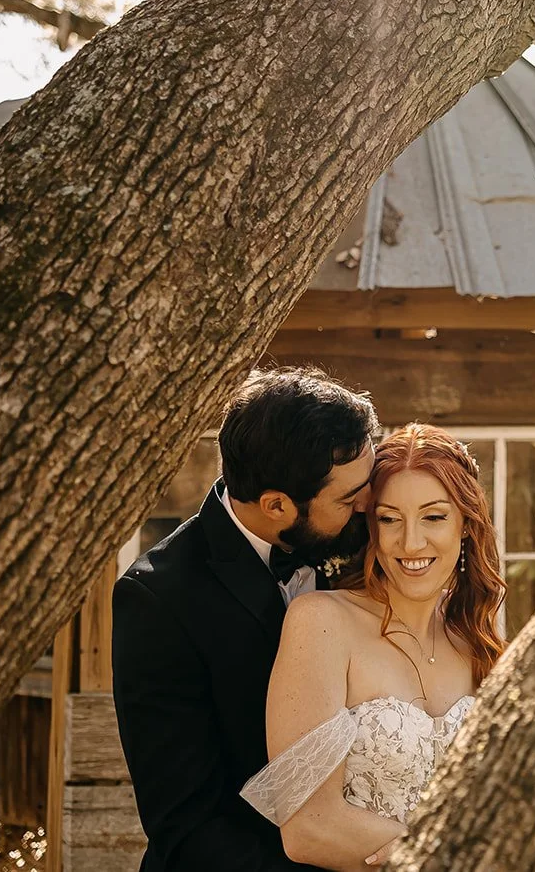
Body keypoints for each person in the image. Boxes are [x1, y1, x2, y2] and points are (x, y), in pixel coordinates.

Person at [113, 367, 379, 872]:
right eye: (349, 499)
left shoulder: (367, 541)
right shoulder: (157, 599)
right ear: (277, 505)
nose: (369, 505)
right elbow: (187, 825)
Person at [240, 423, 506, 871]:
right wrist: (444, 856)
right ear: (369, 526)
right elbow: (307, 827)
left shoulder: (481, 631)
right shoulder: (321, 621)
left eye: (434, 517)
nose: (411, 542)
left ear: (465, 525)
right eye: (389, 519)